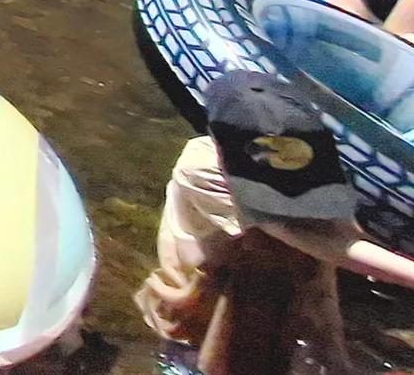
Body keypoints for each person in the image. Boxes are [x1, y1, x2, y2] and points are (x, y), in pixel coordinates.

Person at [135, 70, 414, 374]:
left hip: (280, 290)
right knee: (256, 274)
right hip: (203, 295)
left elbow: (332, 249)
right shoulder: (201, 170)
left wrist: (334, 352)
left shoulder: (315, 166)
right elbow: (316, 242)